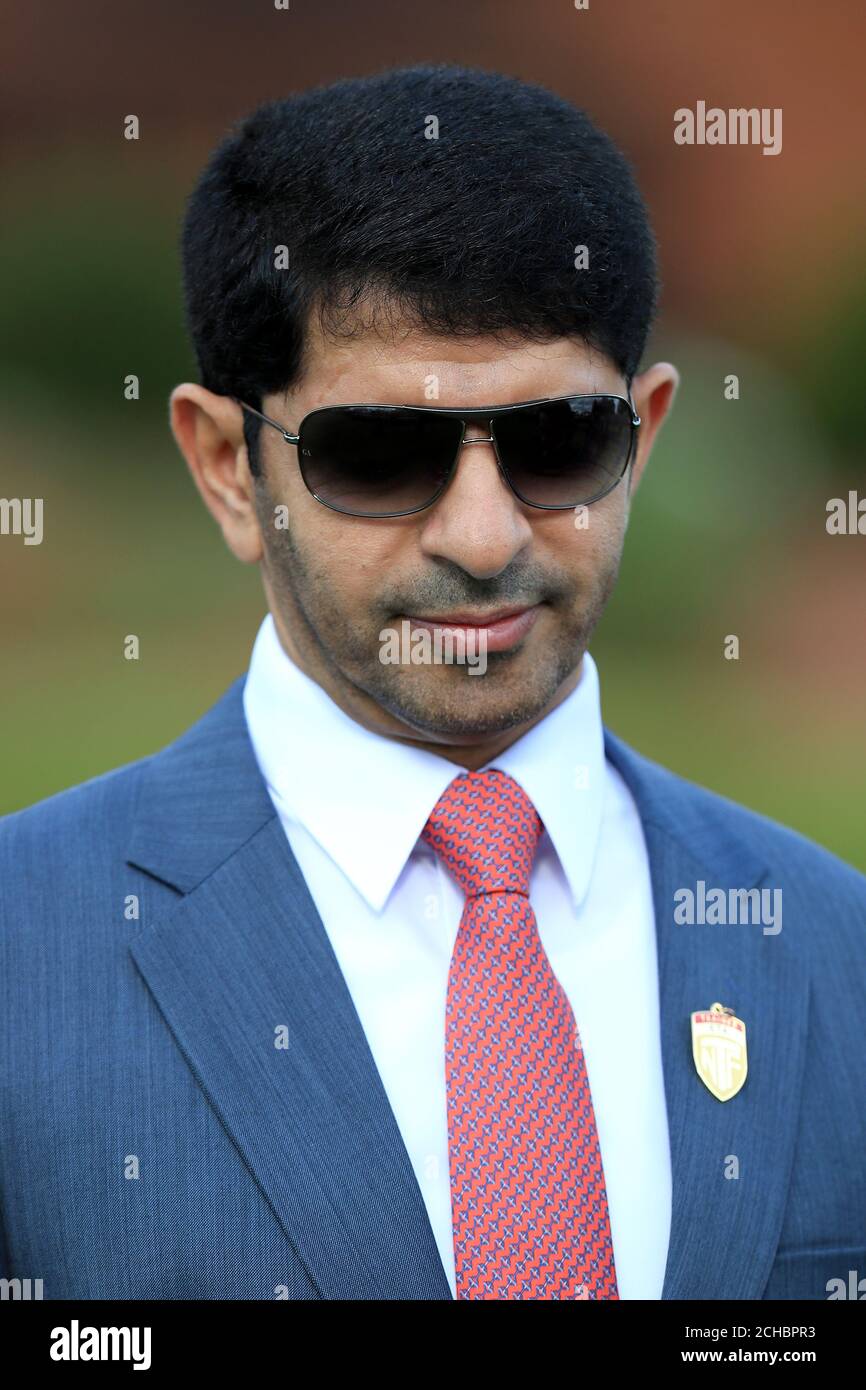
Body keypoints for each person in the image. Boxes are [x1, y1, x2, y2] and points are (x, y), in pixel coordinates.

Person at [1, 64, 864, 1302]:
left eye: (559, 440)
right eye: (379, 455)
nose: (481, 534)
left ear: (644, 437)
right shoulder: (21, 958)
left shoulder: (835, 948)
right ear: (227, 469)